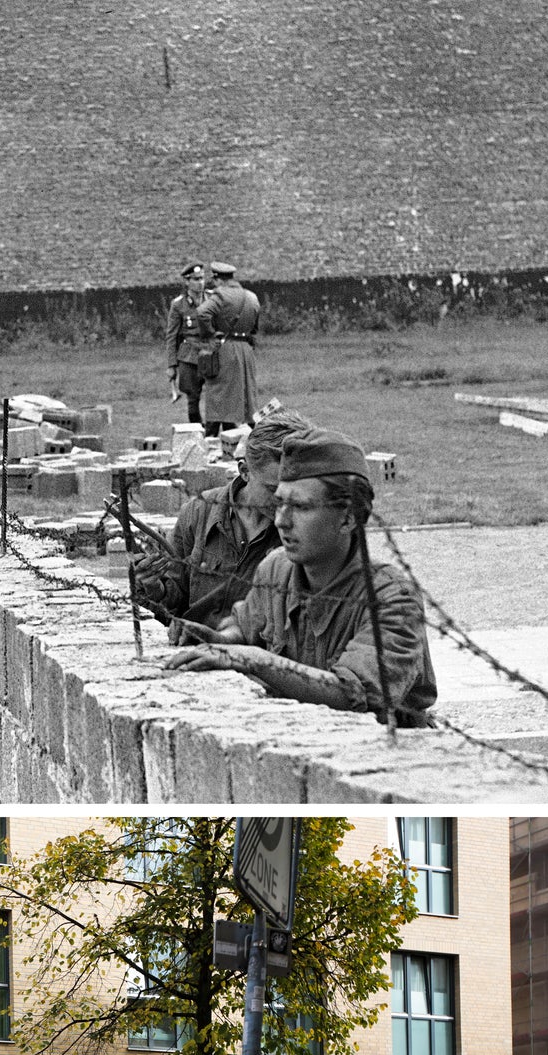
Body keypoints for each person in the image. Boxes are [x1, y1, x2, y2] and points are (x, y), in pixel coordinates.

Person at [162, 427, 437, 727]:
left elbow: (355, 695)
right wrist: (217, 640)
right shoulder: (275, 570)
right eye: (279, 503)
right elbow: (245, 627)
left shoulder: (392, 598)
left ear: (348, 518)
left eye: (301, 507)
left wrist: (254, 659)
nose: (281, 521)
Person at [131, 407, 314, 634]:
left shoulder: (305, 531)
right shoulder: (199, 513)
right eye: (273, 489)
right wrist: (153, 586)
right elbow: (173, 602)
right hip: (193, 646)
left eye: (295, 491)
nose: (285, 502)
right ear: (245, 471)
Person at [196, 262, 260, 434]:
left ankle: (211, 437)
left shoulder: (220, 295)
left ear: (218, 279)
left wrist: (210, 334)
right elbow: (255, 327)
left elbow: (202, 313)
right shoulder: (252, 297)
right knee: (246, 395)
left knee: (219, 394)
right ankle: (246, 435)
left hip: (226, 349)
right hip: (246, 351)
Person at [164, 262, 206, 424]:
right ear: (187, 282)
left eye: (202, 278)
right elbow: (171, 336)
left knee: (217, 395)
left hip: (211, 354)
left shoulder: (213, 299)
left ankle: (216, 432)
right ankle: (196, 430)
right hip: (189, 357)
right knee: (192, 398)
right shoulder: (178, 304)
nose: (200, 282)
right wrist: (171, 364)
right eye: (196, 279)